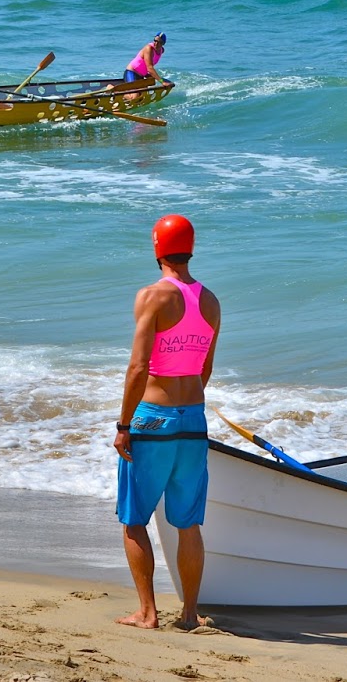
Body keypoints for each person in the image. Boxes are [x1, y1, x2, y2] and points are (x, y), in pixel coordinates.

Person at [113, 214, 221, 631]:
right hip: (193, 418)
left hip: (153, 419)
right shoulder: (210, 300)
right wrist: (187, 403)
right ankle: (190, 615)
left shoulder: (152, 296)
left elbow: (139, 366)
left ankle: (148, 613)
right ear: (190, 247)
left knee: (135, 518)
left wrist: (125, 424)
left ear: (157, 248)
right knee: (188, 523)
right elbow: (205, 366)